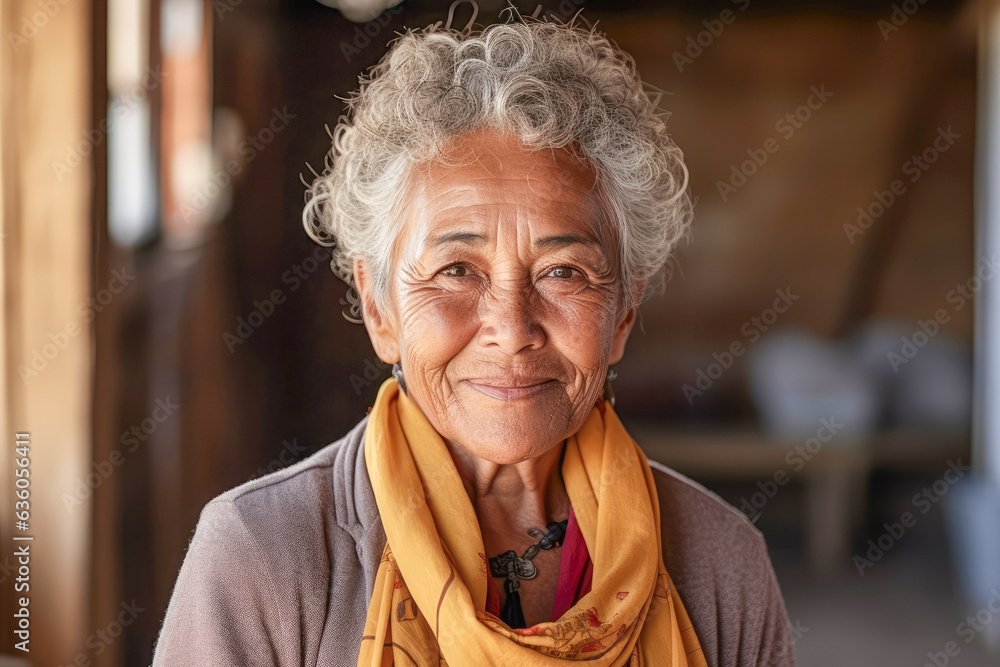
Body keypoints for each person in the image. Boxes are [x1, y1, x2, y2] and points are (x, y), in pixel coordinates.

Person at [152, 15, 795, 667]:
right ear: (379, 308)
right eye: (456, 270)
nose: (512, 329)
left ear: (624, 310)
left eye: (563, 272)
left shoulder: (719, 566)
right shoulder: (263, 558)